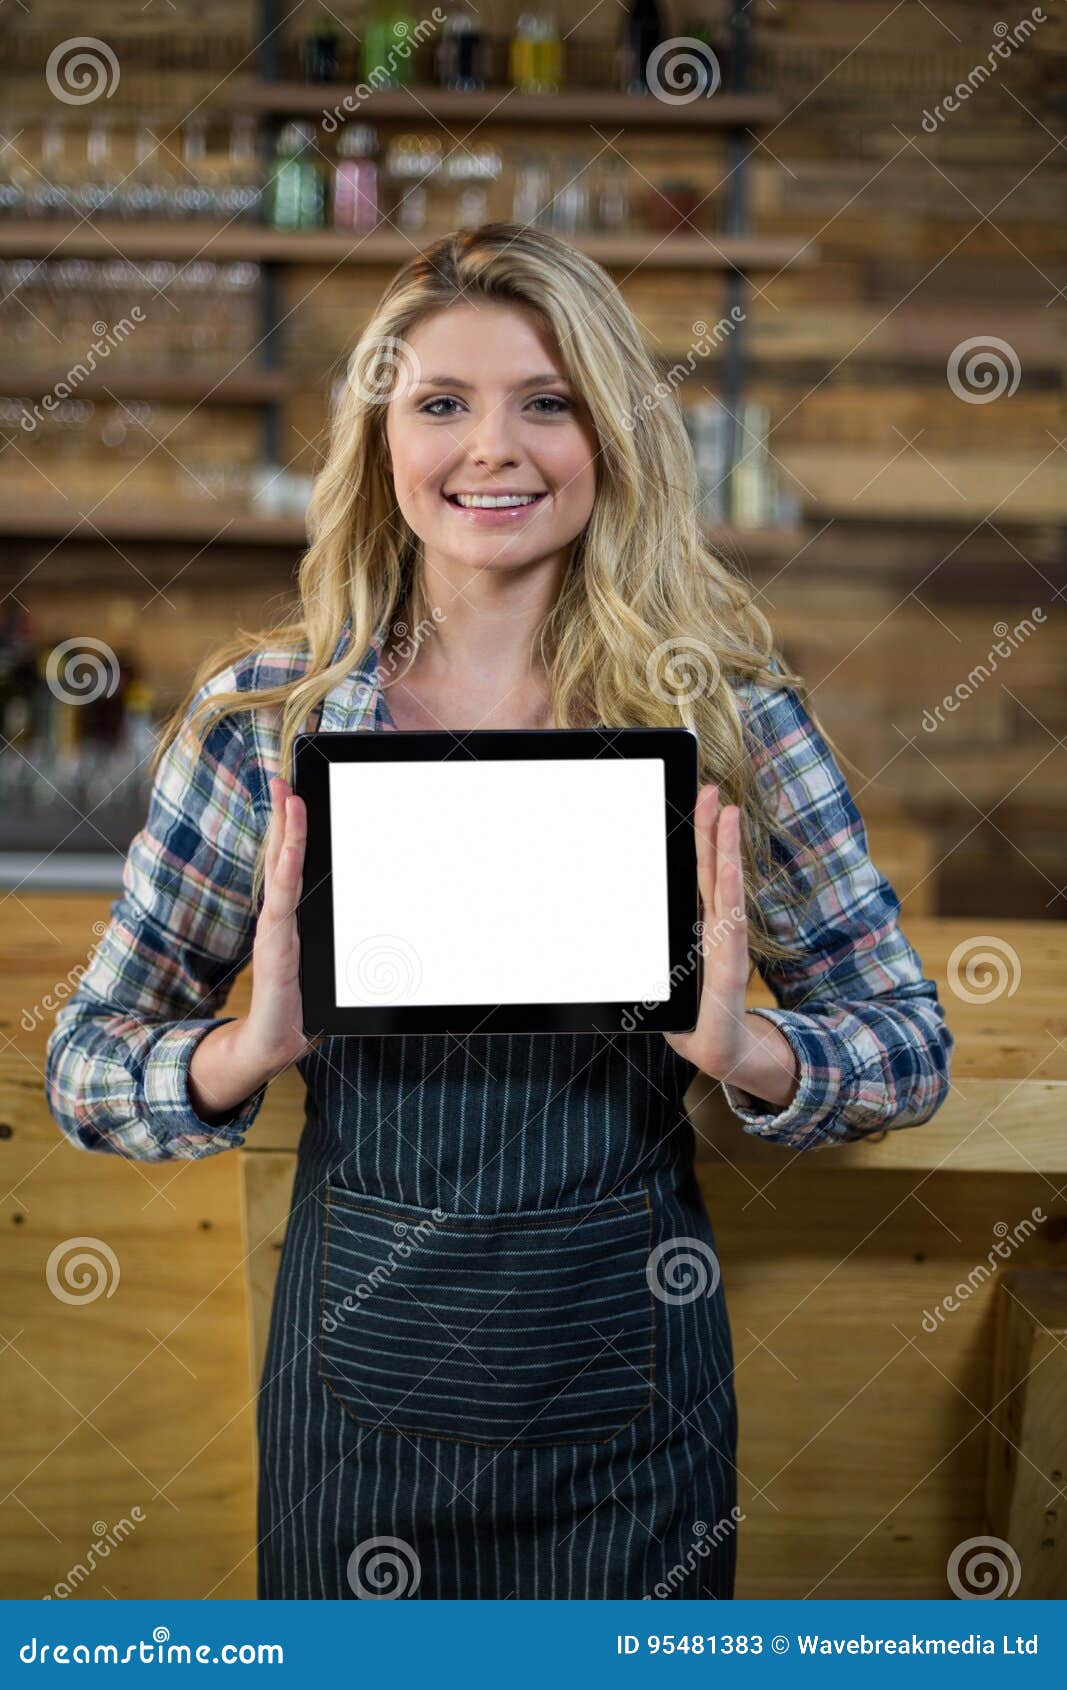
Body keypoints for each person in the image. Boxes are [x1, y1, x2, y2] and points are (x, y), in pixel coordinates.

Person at [45, 222, 954, 1601]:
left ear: (613, 436)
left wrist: (753, 1050)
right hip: (357, 1416)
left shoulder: (727, 723)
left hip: (634, 1421)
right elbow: (83, 1060)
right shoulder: (264, 729)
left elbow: (910, 1042)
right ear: (379, 439)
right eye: (442, 404)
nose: (495, 449)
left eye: (549, 402)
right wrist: (241, 1049)